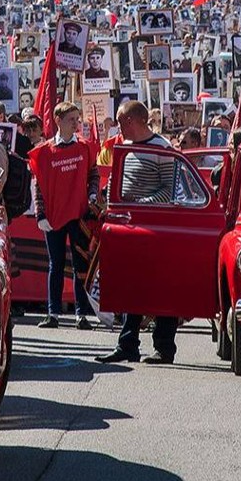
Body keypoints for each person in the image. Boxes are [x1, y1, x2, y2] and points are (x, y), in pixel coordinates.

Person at [96, 101, 180, 364]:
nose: (118, 126)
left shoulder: (162, 149)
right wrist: (109, 196)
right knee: (131, 286)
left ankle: (164, 348)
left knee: (161, 287)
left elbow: (170, 188)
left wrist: (142, 205)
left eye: (121, 121)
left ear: (133, 120)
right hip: (129, 227)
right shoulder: (125, 147)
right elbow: (116, 179)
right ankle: (127, 344)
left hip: (156, 229)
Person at [29, 102, 98, 330]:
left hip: (79, 215)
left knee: (80, 265)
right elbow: (38, 185)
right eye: (71, 119)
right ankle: (53, 313)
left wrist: (92, 194)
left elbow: (94, 174)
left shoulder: (85, 147)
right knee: (55, 264)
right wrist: (40, 214)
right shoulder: (45, 151)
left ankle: (81, 314)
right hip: (54, 215)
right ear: (58, 121)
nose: (76, 123)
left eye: (77, 119)